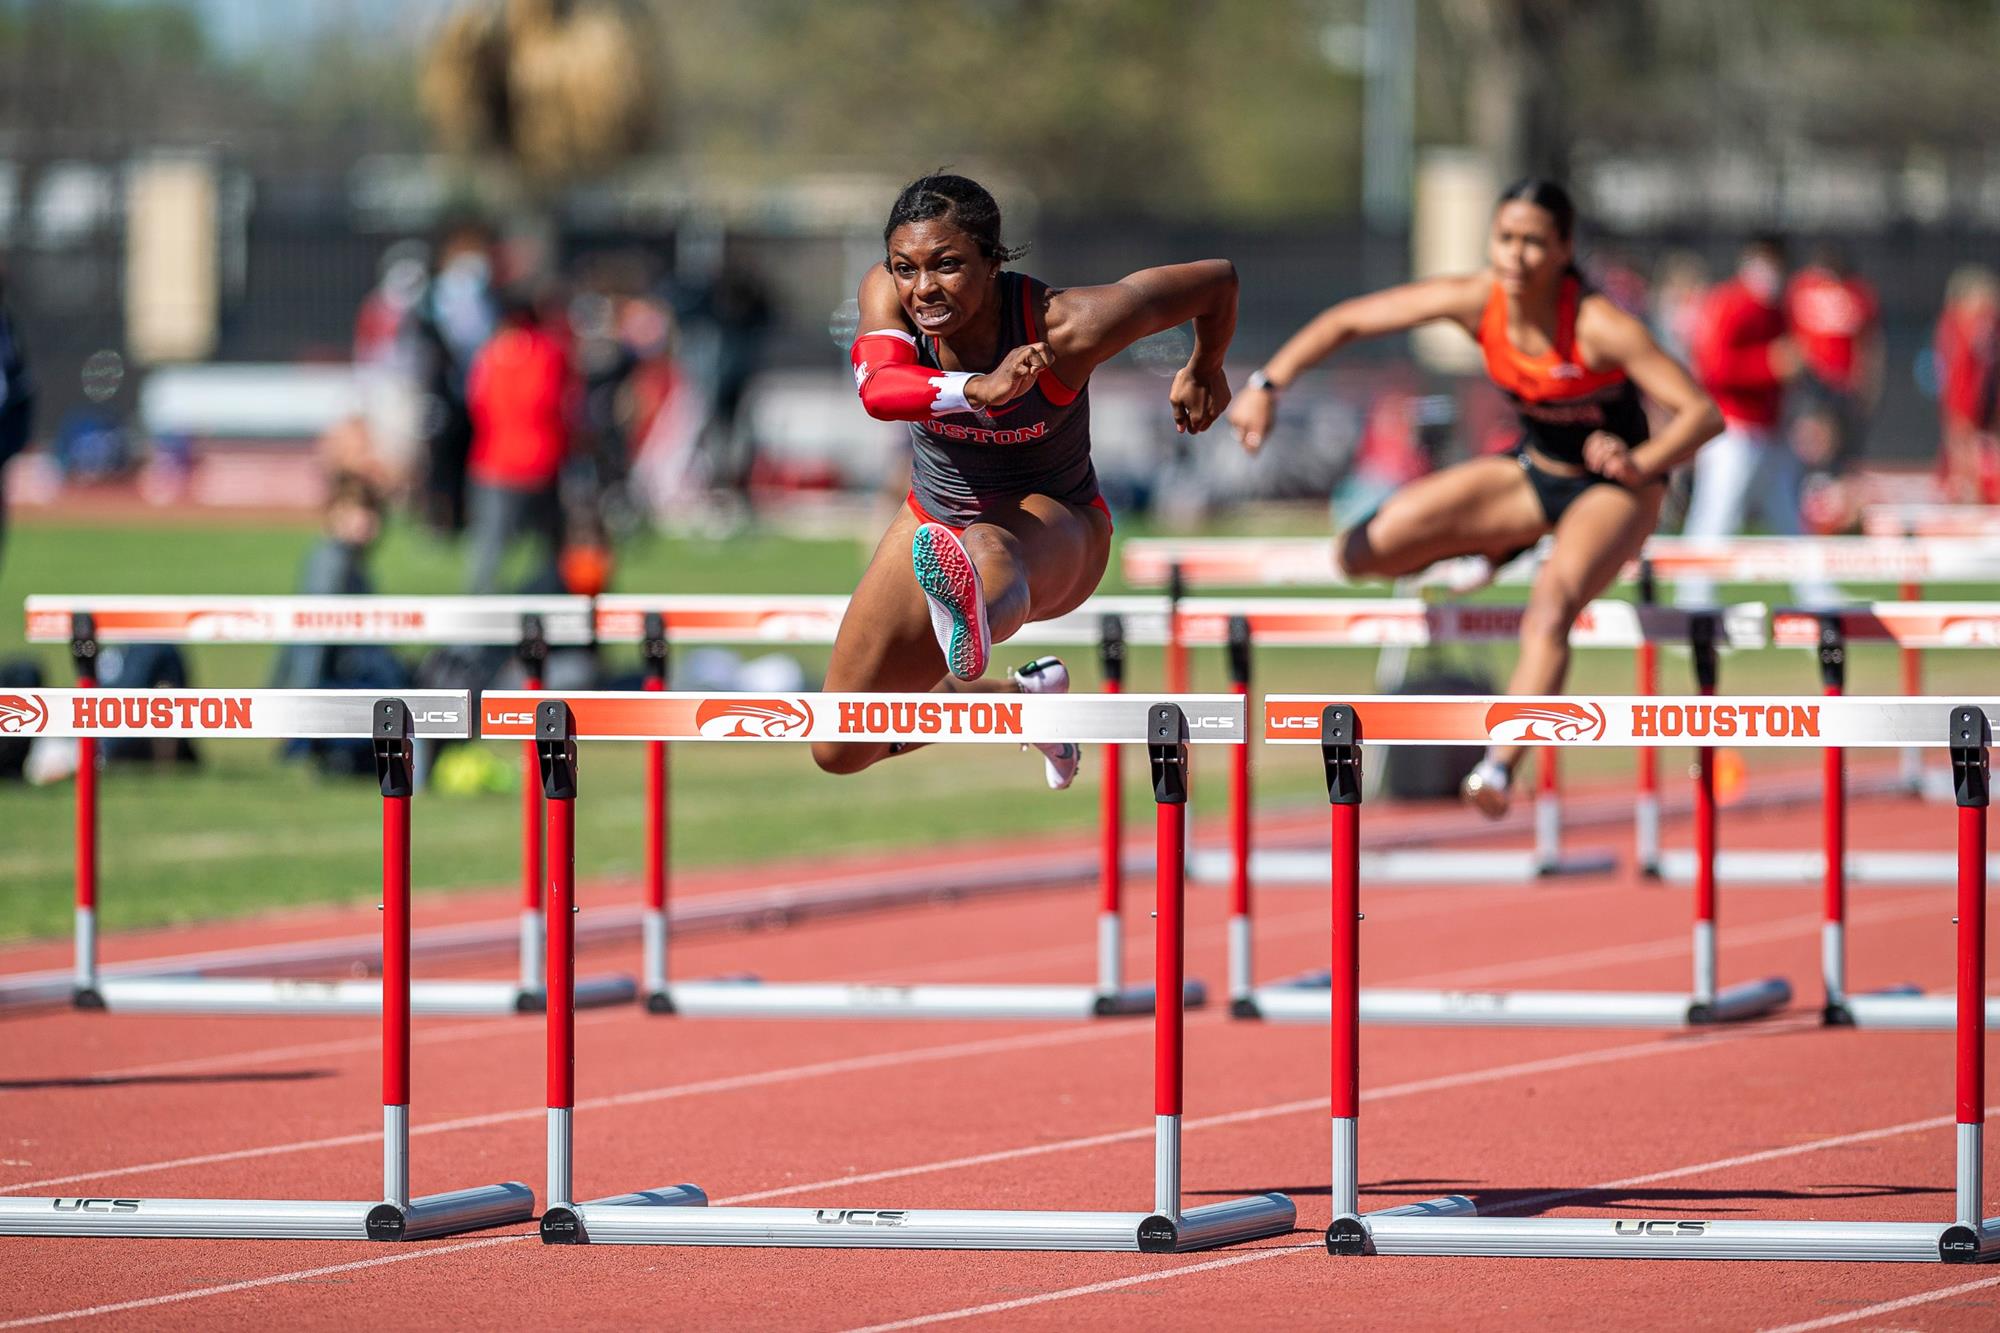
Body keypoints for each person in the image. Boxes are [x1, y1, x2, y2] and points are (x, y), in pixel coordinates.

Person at [1228, 179, 1722, 818]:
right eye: (1506, 239)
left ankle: (1498, 766)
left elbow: (1702, 415)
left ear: (1566, 248)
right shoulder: (1477, 299)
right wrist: (1269, 382)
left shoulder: (1599, 325)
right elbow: (1349, 319)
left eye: (1535, 243)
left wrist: (1640, 460)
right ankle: (1497, 544)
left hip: (1616, 490)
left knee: (1551, 609)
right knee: (1360, 552)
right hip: (1533, 470)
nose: (1516, 257)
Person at [819, 172, 1239, 785]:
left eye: (947, 265)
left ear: (993, 263)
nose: (923, 288)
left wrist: (1205, 366)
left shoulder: (1067, 326)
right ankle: (1020, 700)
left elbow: (1216, 280)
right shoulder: (886, 294)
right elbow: (880, 391)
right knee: (840, 745)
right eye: (905, 267)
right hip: (933, 516)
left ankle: (975, 618)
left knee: (988, 544)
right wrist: (979, 389)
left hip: (1058, 527)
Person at [1678, 234, 1833, 606]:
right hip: (1733, 432)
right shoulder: (1730, 303)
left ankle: (1817, 596)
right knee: (1716, 517)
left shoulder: (1776, 310)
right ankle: (1693, 603)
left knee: (1791, 521)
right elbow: (1712, 367)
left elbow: (1790, 365)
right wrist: (1769, 363)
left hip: (1769, 430)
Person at [463, 289, 574, 593]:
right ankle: (548, 598)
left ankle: (480, 611)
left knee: (490, 546)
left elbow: (478, 403)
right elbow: (558, 403)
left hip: (495, 460)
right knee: (549, 547)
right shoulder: (549, 352)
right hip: (540, 459)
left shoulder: (490, 353)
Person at [1784, 242, 1881, 472]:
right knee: (1807, 444)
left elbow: (1868, 343)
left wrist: (1867, 382)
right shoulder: (1801, 288)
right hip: (1809, 379)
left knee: (1841, 448)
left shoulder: (1857, 292)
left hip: (1843, 381)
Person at [1934, 265, 2000, 503]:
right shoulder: (1956, 328)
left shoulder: (1987, 327)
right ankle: (1964, 484)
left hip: (1983, 406)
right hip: (1966, 405)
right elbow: (1957, 379)